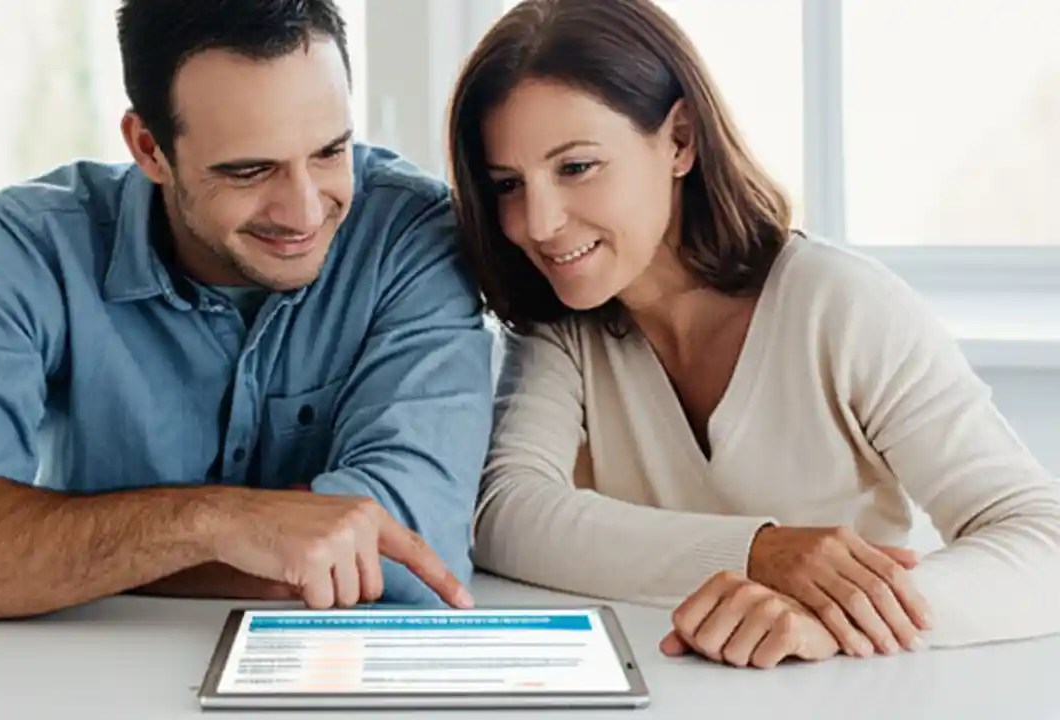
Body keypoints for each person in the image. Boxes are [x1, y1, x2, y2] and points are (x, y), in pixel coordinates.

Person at [449, 0, 1060, 669]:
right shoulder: (562, 326)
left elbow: (1044, 540)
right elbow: (505, 516)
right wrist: (758, 551)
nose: (536, 223)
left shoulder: (839, 306)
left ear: (681, 140)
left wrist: (829, 617)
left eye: (576, 168)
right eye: (508, 184)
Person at [0, 0, 491, 621]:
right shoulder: (23, 247)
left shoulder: (410, 235)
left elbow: (412, 549)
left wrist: (69, 552)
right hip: (82, 675)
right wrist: (214, 524)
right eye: (249, 170)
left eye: (330, 152)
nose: (302, 211)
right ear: (149, 148)